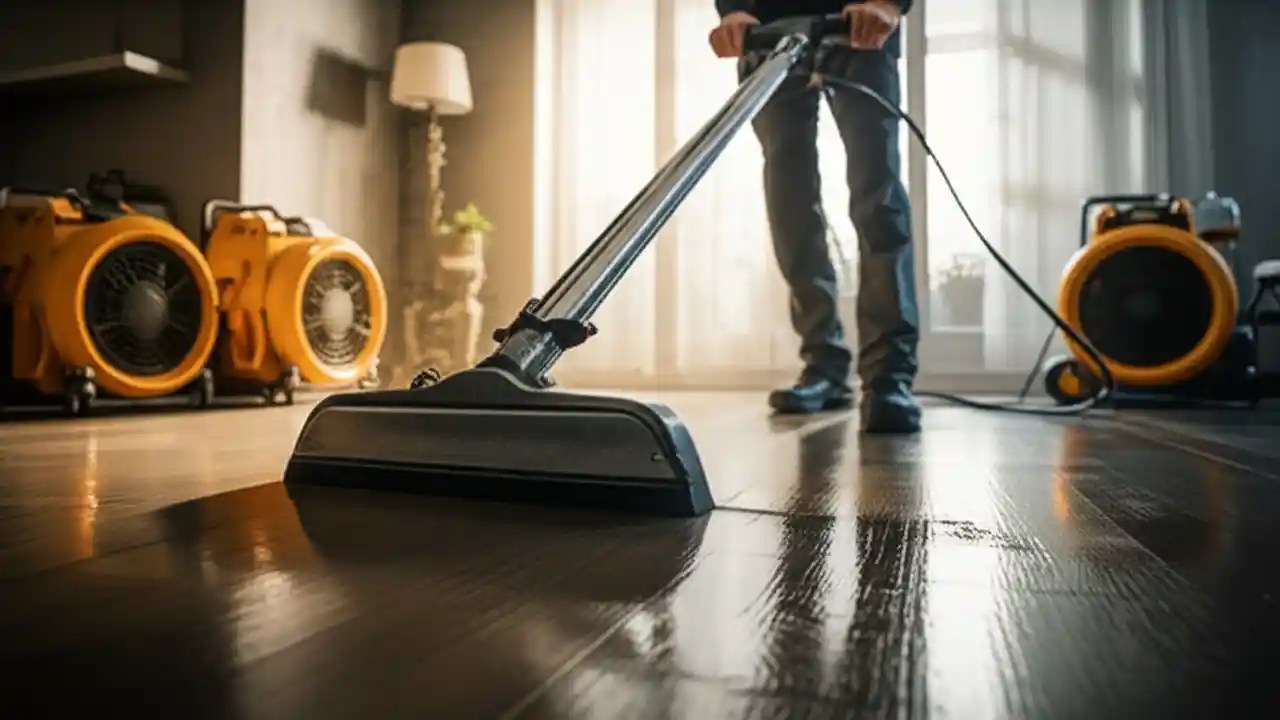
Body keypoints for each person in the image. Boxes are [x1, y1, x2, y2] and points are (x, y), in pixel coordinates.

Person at [710, 0, 921, 433]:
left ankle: (888, 378)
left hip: (861, 26)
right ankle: (824, 365)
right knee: (790, 203)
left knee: (878, 198)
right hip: (767, 32)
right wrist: (731, 9)